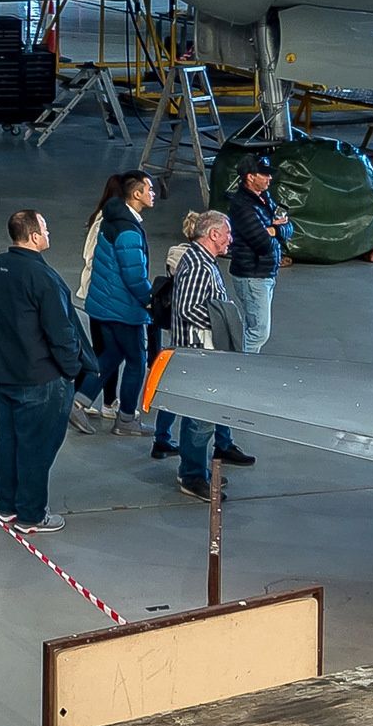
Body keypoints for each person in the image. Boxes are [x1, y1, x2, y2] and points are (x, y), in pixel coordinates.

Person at [0, 207, 93, 532]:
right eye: (46, 230)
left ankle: (7, 505)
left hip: (0, 372)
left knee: (8, 439)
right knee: (36, 446)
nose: (49, 235)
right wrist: (70, 370)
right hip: (40, 377)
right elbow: (61, 331)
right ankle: (31, 514)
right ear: (34, 236)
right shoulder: (44, 278)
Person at [154, 209, 243, 496]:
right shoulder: (198, 266)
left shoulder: (201, 260)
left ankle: (199, 470)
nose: (230, 238)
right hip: (198, 354)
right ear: (213, 234)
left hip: (202, 352)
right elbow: (187, 308)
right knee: (199, 419)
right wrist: (222, 321)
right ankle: (193, 476)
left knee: (202, 416)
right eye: (227, 233)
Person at [76, 172, 157, 431]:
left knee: (111, 354)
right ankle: (126, 419)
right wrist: (149, 300)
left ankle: (78, 402)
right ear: (136, 194)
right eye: (150, 189)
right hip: (123, 308)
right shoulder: (129, 231)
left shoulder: (111, 218)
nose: (153, 194)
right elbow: (134, 275)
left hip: (103, 303)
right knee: (136, 361)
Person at [220, 150, 288, 355]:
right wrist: (275, 230)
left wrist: (274, 229)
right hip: (252, 276)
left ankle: (244, 366)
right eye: (264, 174)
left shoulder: (264, 197)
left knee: (255, 328)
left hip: (264, 273)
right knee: (258, 331)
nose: (269, 178)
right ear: (250, 177)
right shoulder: (242, 205)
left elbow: (288, 225)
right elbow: (262, 244)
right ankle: (241, 368)